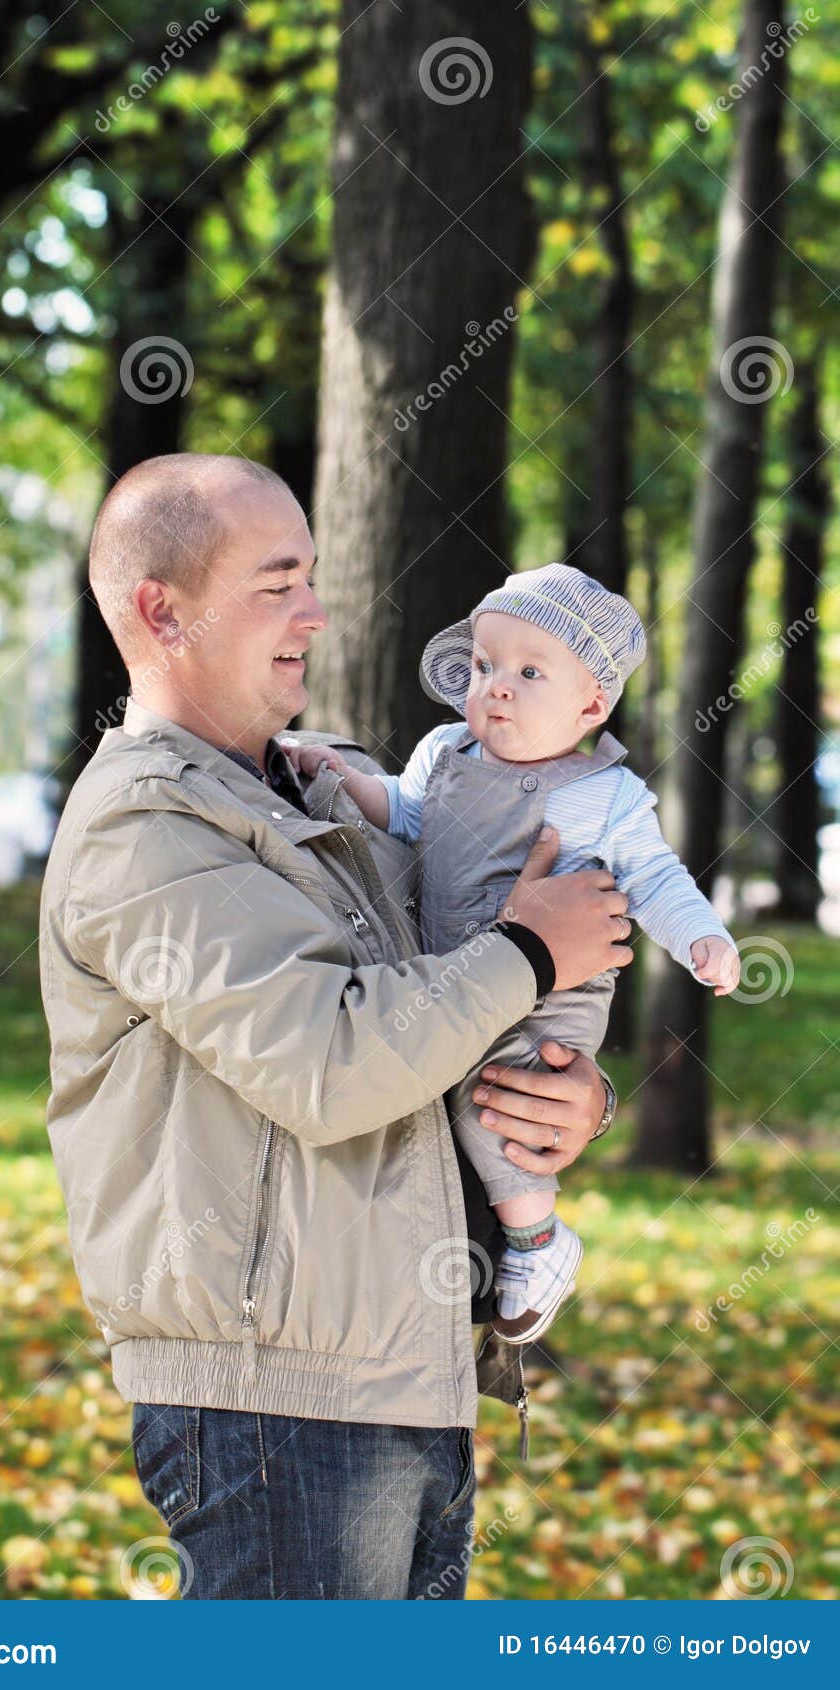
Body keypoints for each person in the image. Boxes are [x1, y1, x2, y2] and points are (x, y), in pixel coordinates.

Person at [39, 454, 633, 1600]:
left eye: (311, 575)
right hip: (277, 1408)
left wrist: (577, 1096)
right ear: (164, 610)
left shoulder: (332, 791)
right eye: (276, 582)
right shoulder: (145, 829)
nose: (315, 612)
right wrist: (524, 950)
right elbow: (333, 1064)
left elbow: (452, 1011)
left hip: (409, 1373)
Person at [286, 563, 740, 1350]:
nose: (496, 687)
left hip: (549, 994)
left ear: (589, 706)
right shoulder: (444, 751)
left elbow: (655, 875)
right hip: (456, 968)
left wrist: (700, 936)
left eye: (529, 673)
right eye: (488, 666)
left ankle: (536, 1241)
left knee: (491, 1102)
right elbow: (401, 812)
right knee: (447, 1076)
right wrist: (343, 778)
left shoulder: (604, 796)